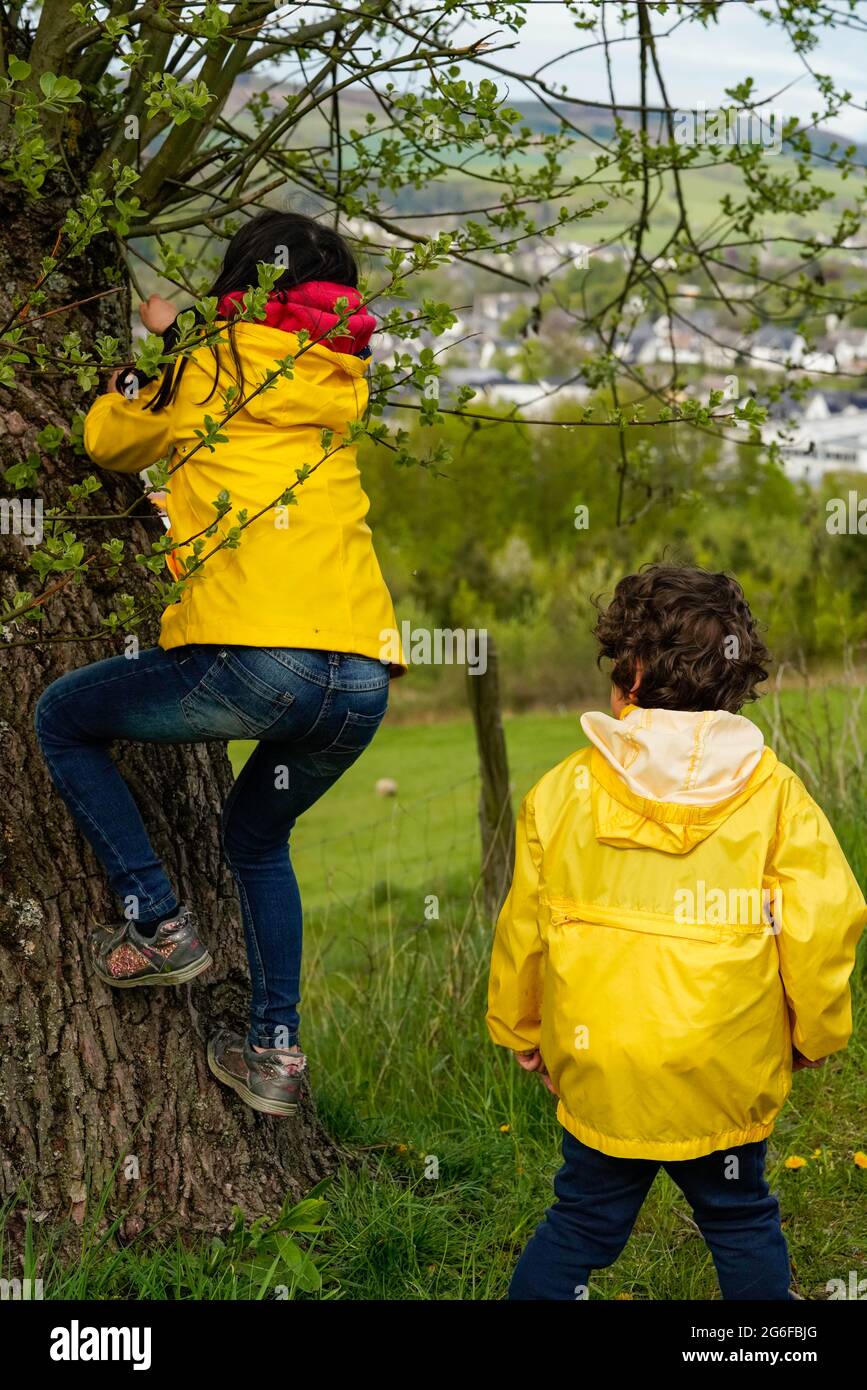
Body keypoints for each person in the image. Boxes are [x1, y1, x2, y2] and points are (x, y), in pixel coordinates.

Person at [35, 210, 402, 1117]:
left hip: (256, 653)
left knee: (62, 718)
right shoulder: (339, 379)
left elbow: (110, 443)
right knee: (257, 840)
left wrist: (132, 380)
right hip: (358, 676)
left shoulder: (218, 361)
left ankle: (158, 921)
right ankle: (274, 1053)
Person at [487, 563, 866, 1299]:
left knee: (580, 1222)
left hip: (604, 1065)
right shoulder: (772, 791)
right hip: (720, 1066)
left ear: (626, 675)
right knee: (739, 1217)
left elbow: (525, 925)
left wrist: (520, 1026)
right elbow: (821, 925)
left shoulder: (560, 790)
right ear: (735, 680)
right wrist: (816, 1034)